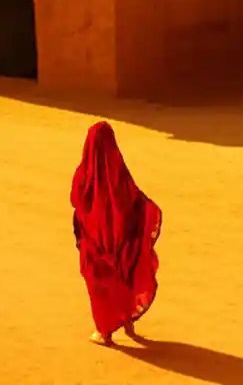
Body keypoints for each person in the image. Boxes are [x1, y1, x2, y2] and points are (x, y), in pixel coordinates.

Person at [70, 121, 162, 346]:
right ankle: (127, 320)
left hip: (95, 241)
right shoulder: (119, 171)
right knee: (124, 272)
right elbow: (134, 200)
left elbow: (76, 199)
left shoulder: (84, 174)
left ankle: (104, 331)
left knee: (99, 284)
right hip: (119, 241)